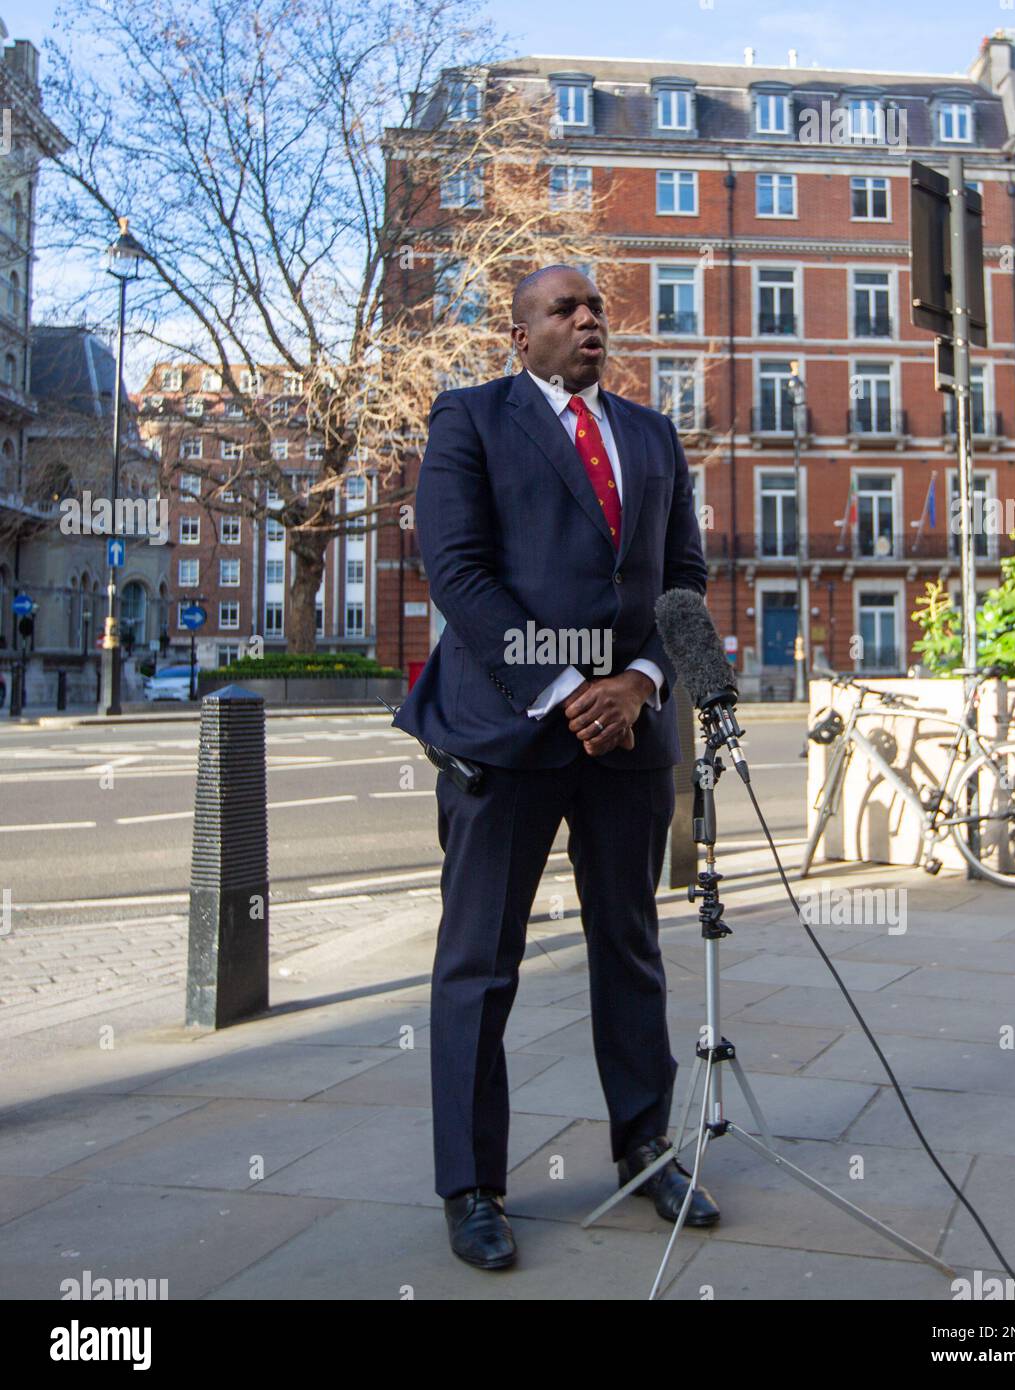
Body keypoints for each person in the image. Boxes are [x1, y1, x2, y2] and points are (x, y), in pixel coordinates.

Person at [393, 263, 718, 1271]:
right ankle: (473, 1186)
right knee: (480, 962)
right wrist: (569, 683)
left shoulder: (653, 435)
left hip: (627, 740)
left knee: (630, 946)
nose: (589, 320)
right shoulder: (470, 420)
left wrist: (654, 684)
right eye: (565, 309)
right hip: (509, 731)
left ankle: (646, 1146)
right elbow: (458, 572)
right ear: (519, 329)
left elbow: (687, 580)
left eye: (595, 309)